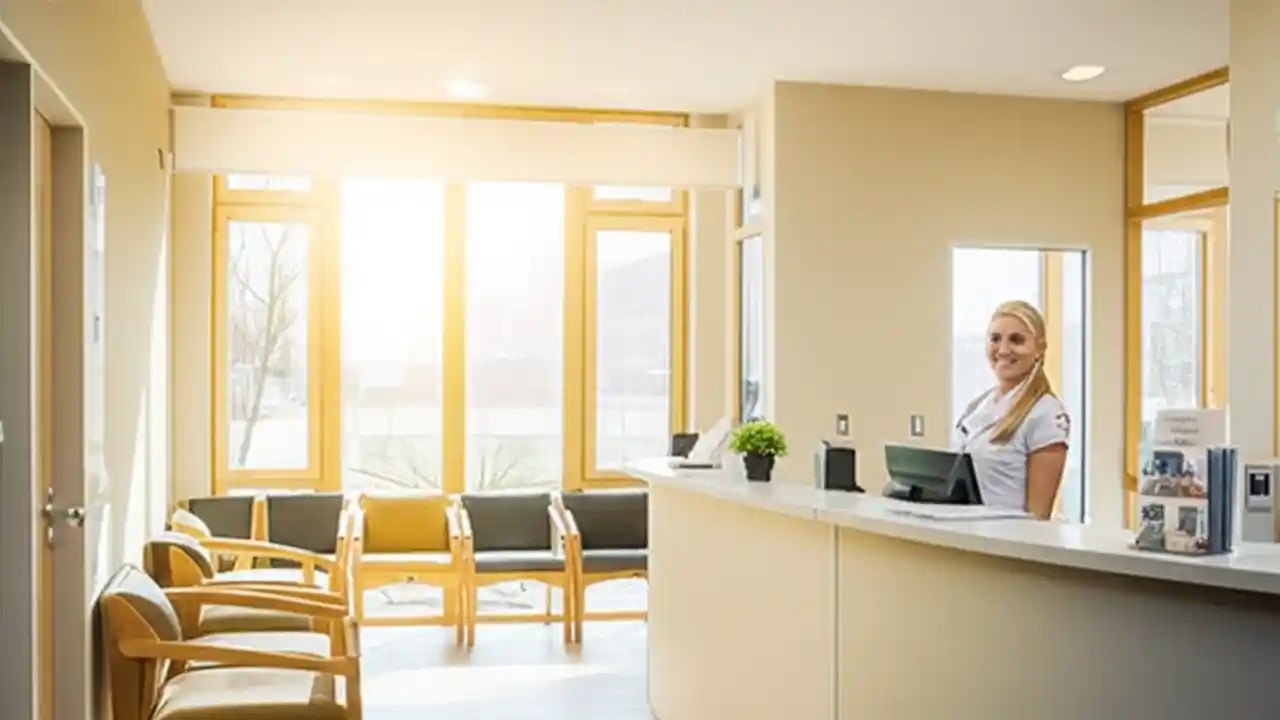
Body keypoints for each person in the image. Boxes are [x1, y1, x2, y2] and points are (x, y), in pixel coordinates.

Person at [951, 300, 1070, 519]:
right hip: (965, 537)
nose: (1003, 350)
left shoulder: (1045, 413)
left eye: (1016, 340)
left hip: (1005, 543)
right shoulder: (977, 406)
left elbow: (1038, 516)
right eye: (995, 339)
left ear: (1039, 349)